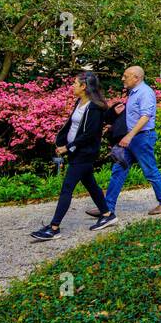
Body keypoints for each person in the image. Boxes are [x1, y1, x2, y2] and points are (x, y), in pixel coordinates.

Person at [88, 65, 161, 226]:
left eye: (125, 76)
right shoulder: (134, 92)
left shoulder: (145, 92)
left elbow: (145, 116)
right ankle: (107, 208)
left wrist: (129, 135)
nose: (122, 78)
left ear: (136, 77)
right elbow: (135, 114)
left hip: (142, 138)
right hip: (133, 138)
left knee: (150, 170)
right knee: (118, 170)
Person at [31, 72, 111, 241]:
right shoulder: (80, 102)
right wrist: (62, 142)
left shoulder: (94, 107)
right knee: (90, 184)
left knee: (67, 188)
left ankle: (54, 228)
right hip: (76, 151)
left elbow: (89, 134)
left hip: (84, 153)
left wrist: (68, 147)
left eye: (75, 83)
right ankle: (107, 214)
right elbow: (72, 126)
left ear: (84, 86)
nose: (72, 86)